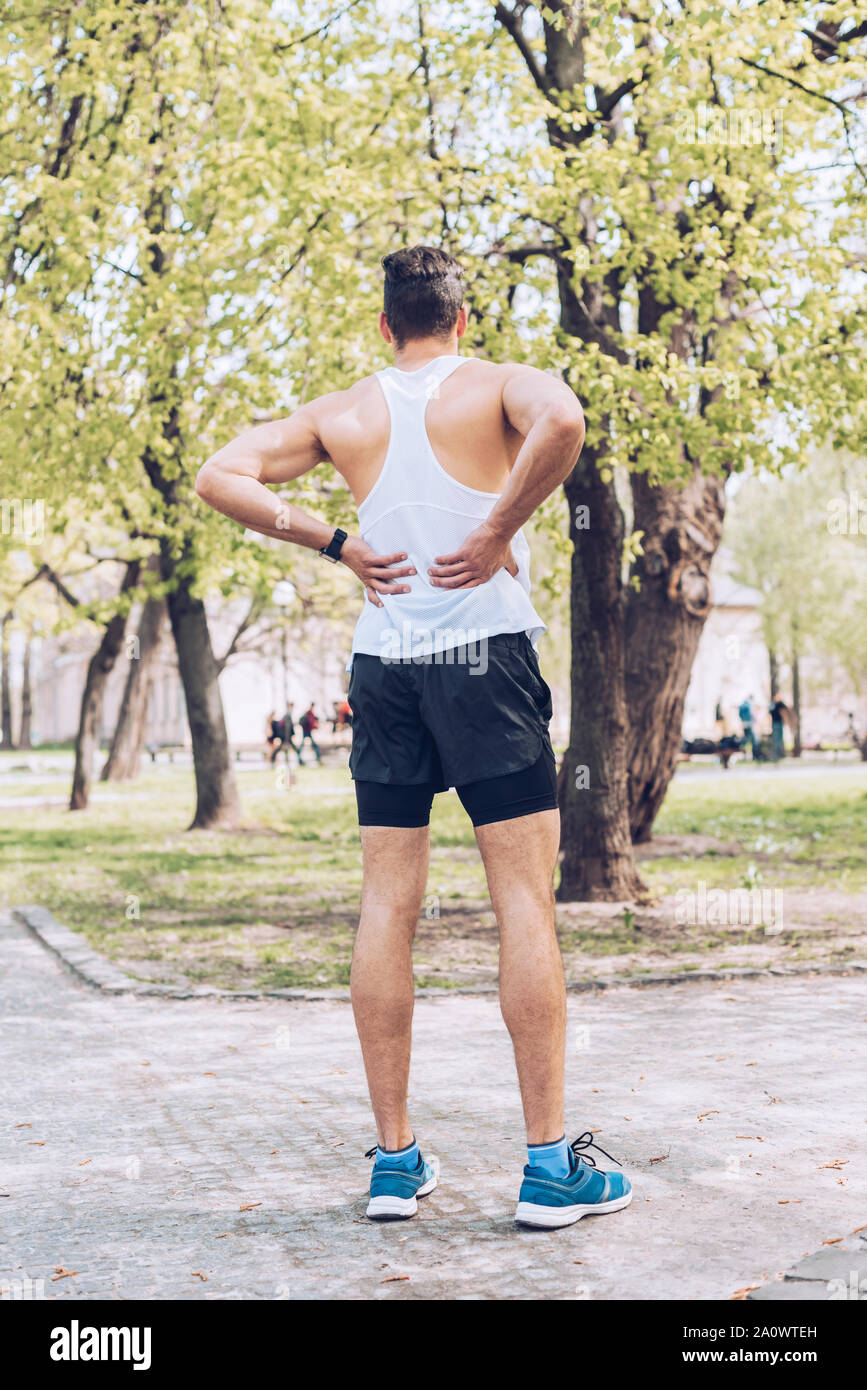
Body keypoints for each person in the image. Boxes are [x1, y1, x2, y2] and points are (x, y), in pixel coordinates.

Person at [195, 244, 630, 1231]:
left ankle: (395, 1164)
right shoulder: (494, 386)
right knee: (521, 899)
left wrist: (338, 543)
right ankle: (551, 1169)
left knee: (387, 904)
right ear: (463, 320)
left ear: (386, 326)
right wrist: (495, 526)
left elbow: (216, 473)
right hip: (486, 660)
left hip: (385, 670)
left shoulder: (343, 413)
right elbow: (562, 417)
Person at [769, 692, 790, 762]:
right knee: (776, 739)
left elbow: (786, 710)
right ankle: (777, 755)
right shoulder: (774, 704)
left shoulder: (778, 704)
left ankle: (779, 754)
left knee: (779, 739)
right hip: (775, 723)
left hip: (778, 723)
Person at [738, 694, 758, 761]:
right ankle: (753, 755)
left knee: (745, 740)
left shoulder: (742, 705)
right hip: (749, 724)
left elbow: (739, 715)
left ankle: (745, 755)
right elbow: (752, 715)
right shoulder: (749, 705)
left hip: (744, 724)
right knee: (752, 740)